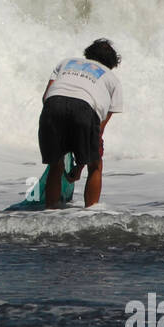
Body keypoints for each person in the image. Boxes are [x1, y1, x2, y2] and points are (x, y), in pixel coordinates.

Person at [37, 38, 122, 208]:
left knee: (56, 165)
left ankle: (50, 214)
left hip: (53, 106)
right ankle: (90, 214)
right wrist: (81, 165)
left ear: (88, 53)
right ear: (112, 63)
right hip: (85, 110)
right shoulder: (112, 80)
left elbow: (46, 96)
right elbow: (99, 132)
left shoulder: (66, 62)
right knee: (95, 165)